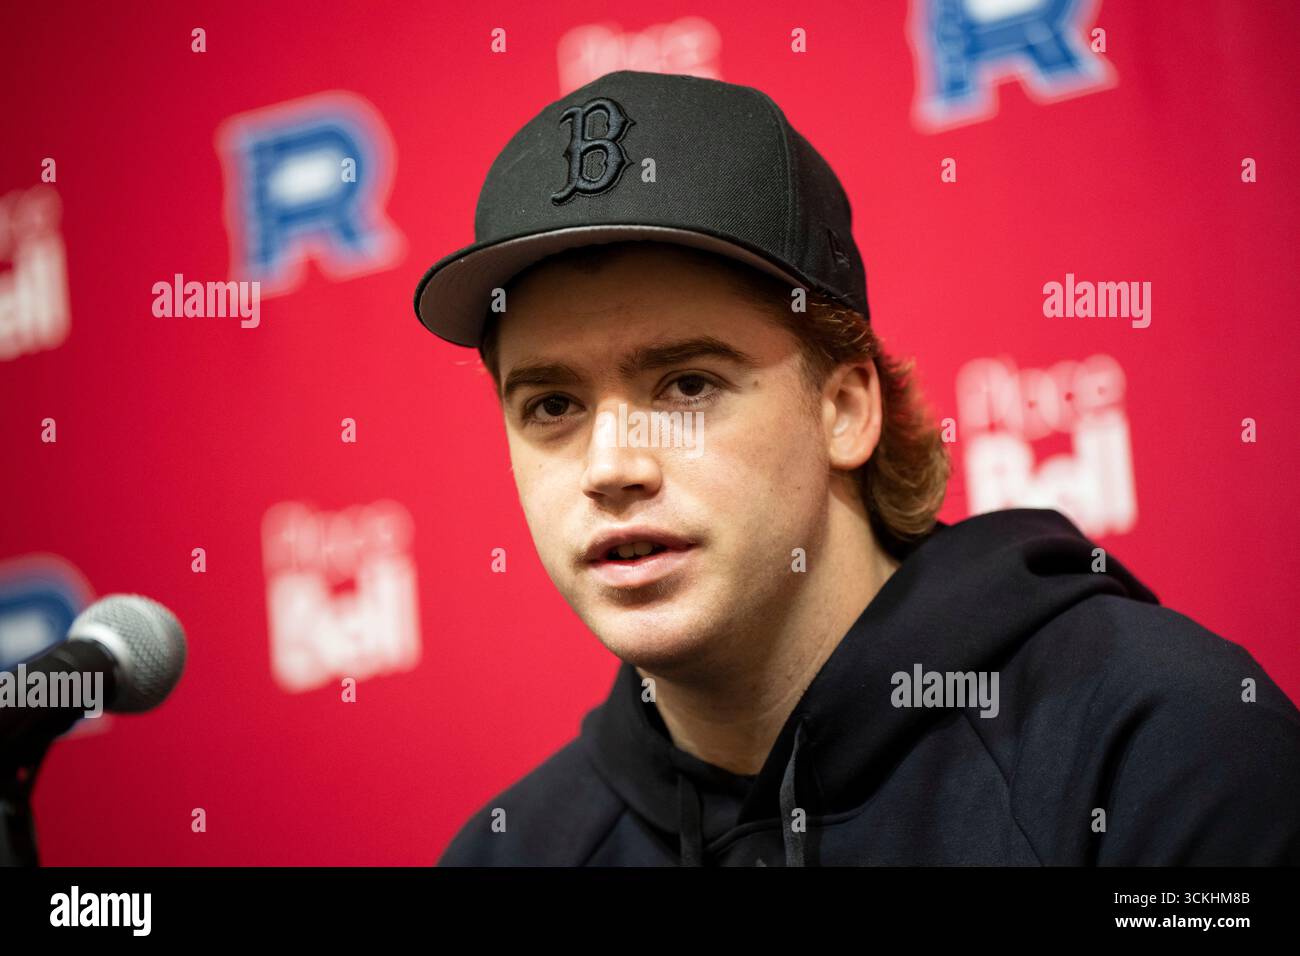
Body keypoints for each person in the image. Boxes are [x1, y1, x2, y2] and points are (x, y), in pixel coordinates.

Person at [412, 70, 1300, 866]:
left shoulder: (1160, 747)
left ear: (844, 410)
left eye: (687, 384)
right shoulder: (512, 851)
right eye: (552, 407)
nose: (611, 467)